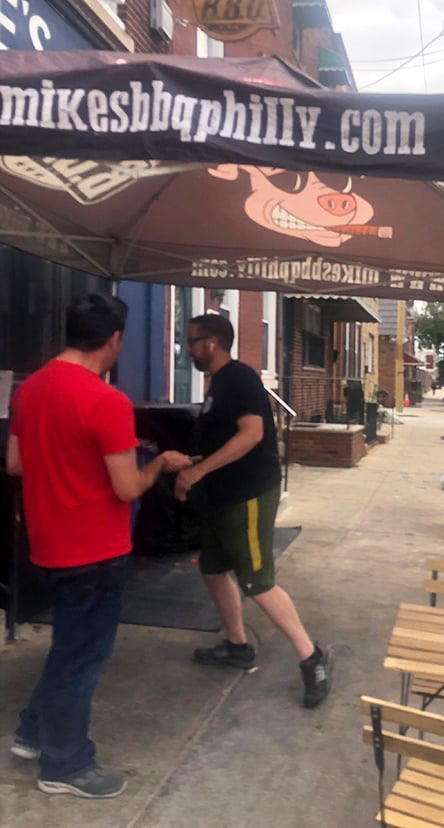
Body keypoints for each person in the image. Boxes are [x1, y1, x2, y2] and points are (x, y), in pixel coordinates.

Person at [6, 294, 191, 798]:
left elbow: (16, 465)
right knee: (82, 657)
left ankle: (30, 730)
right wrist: (159, 465)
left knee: (68, 647)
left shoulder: (30, 390)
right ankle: (64, 764)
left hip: (46, 545)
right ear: (113, 340)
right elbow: (128, 487)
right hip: (95, 551)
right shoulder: (107, 402)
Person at [174, 314, 332, 709]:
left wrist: (198, 471)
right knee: (211, 567)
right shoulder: (220, 385)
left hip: (247, 494)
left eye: (192, 341)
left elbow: (253, 434)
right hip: (221, 494)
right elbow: (226, 440)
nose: (187, 348)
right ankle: (237, 645)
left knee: (256, 579)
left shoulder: (240, 378)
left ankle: (312, 657)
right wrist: (194, 461)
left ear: (211, 343)